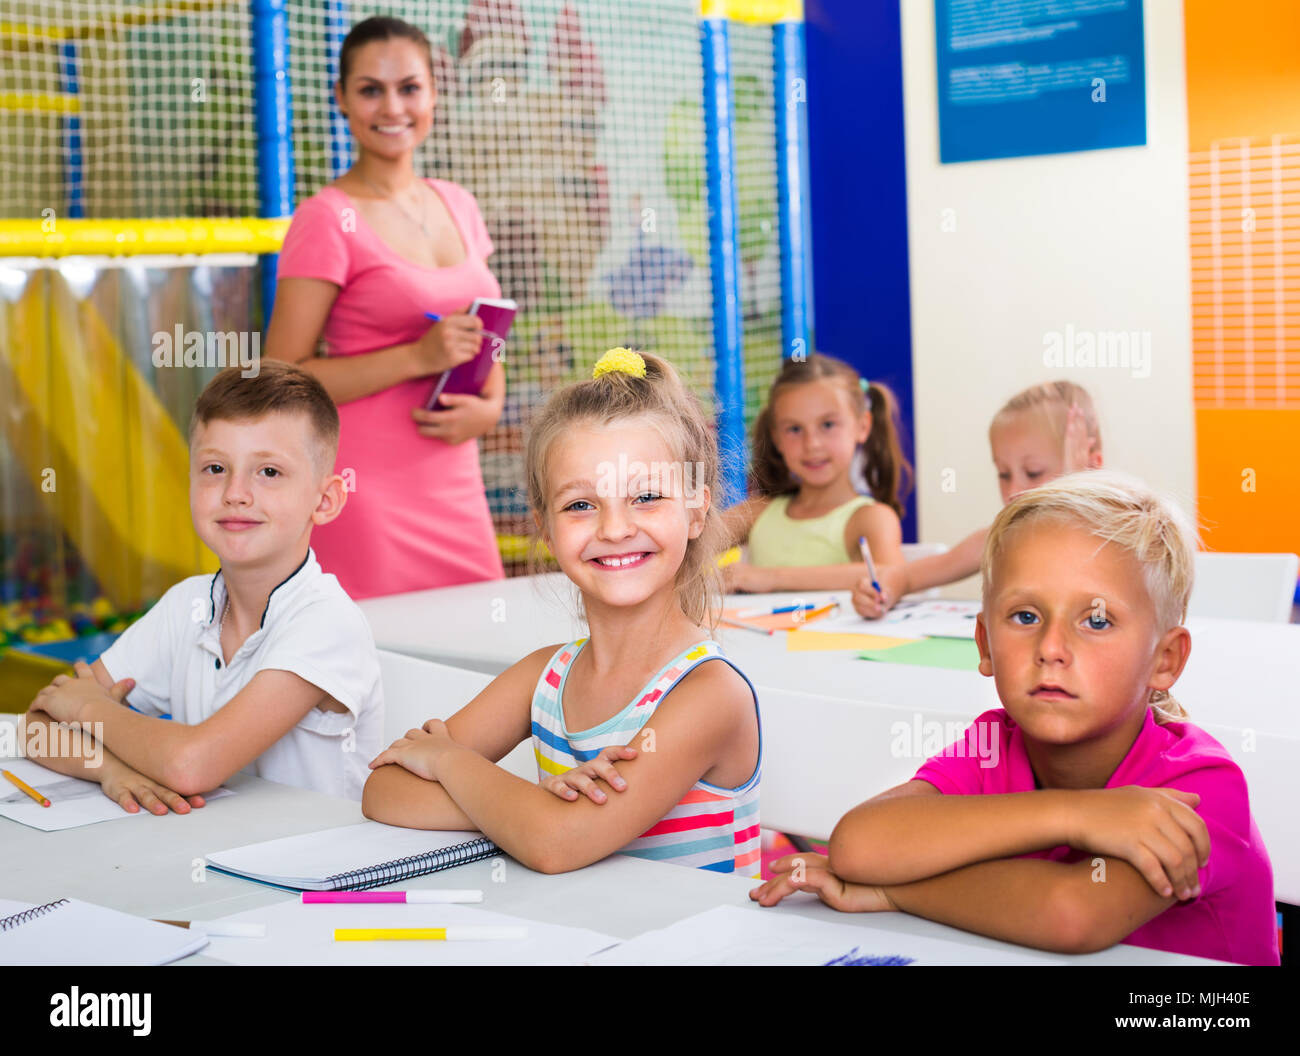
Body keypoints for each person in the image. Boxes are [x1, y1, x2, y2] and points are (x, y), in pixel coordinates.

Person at [752, 471, 1279, 965]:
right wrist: (1078, 814)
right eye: (1025, 616)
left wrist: (892, 890)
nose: (1051, 647)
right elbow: (858, 847)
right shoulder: (994, 743)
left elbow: (1072, 914)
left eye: (1096, 620)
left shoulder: (1200, 784)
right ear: (984, 644)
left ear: (1165, 660)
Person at [362, 349, 762, 875]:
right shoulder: (543, 677)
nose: (614, 528)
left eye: (645, 497)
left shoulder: (710, 694)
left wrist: (451, 761)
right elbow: (383, 789)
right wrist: (529, 810)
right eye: (580, 505)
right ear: (546, 528)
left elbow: (556, 844)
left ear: (695, 510)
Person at [25, 362, 384, 806]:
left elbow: (192, 765)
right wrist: (111, 769)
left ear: (325, 500)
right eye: (215, 468)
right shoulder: (188, 604)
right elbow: (38, 727)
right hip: (207, 853)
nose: (235, 492)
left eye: (268, 472)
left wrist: (88, 709)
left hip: (317, 870)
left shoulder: (327, 623)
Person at [265, 15, 504, 599]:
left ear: (433, 92)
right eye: (371, 89)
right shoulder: (325, 217)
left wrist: (491, 407)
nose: (392, 106)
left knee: (482, 656)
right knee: (382, 668)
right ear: (341, 99)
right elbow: (280, 376)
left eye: (409, 87)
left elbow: (486, 332)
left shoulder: (459, 205)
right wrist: (416, 357)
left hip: (456, 481)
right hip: (364, 488)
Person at [855, 380, 1101, 616]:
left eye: (1033, 472)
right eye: (1003, 474)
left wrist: (1076, 487)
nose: (1014, 490)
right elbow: (907, 577)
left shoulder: (1112, 539)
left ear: (1091, 467)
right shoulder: (1003, 536)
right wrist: (881, 590)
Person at [723, 354, 910, 616]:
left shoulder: (870, 518)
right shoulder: (757, 512)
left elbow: (893, 574)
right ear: (776, 437)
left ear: (862, 426)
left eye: (827, 425)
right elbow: (689, 540)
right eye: (795, 429)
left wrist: (769, 578)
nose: (812, 444)